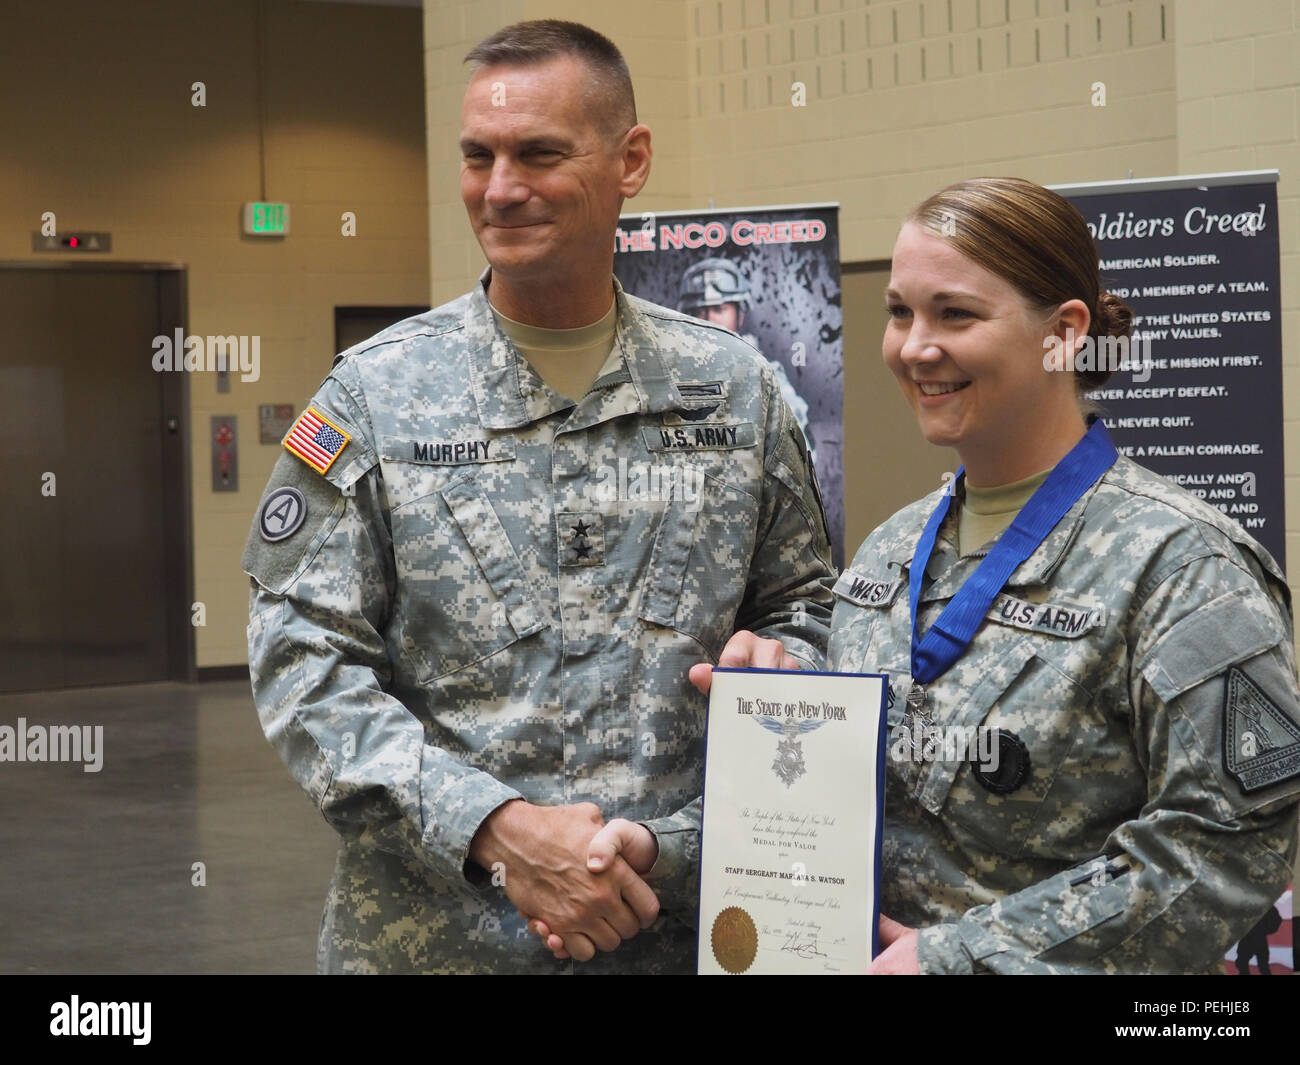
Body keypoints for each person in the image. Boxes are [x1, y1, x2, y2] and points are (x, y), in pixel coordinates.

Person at [241, 18, 834, 974]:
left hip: (678, 930)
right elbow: (302, 661)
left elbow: (807, 609)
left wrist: (785, 657)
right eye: (479, 156)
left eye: (540, 153)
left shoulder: (736, 392)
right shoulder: (377, 398)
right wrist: (497, 828)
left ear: (630, 159)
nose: (501, 188)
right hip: (439, 942)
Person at [824, 176, 1300, 974]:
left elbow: (1232, 843)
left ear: (1066, 332)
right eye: (900, 311)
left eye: (955, 314)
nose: (914, 347)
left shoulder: (1180, 561)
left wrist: (959, 958)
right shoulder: (888, 551)